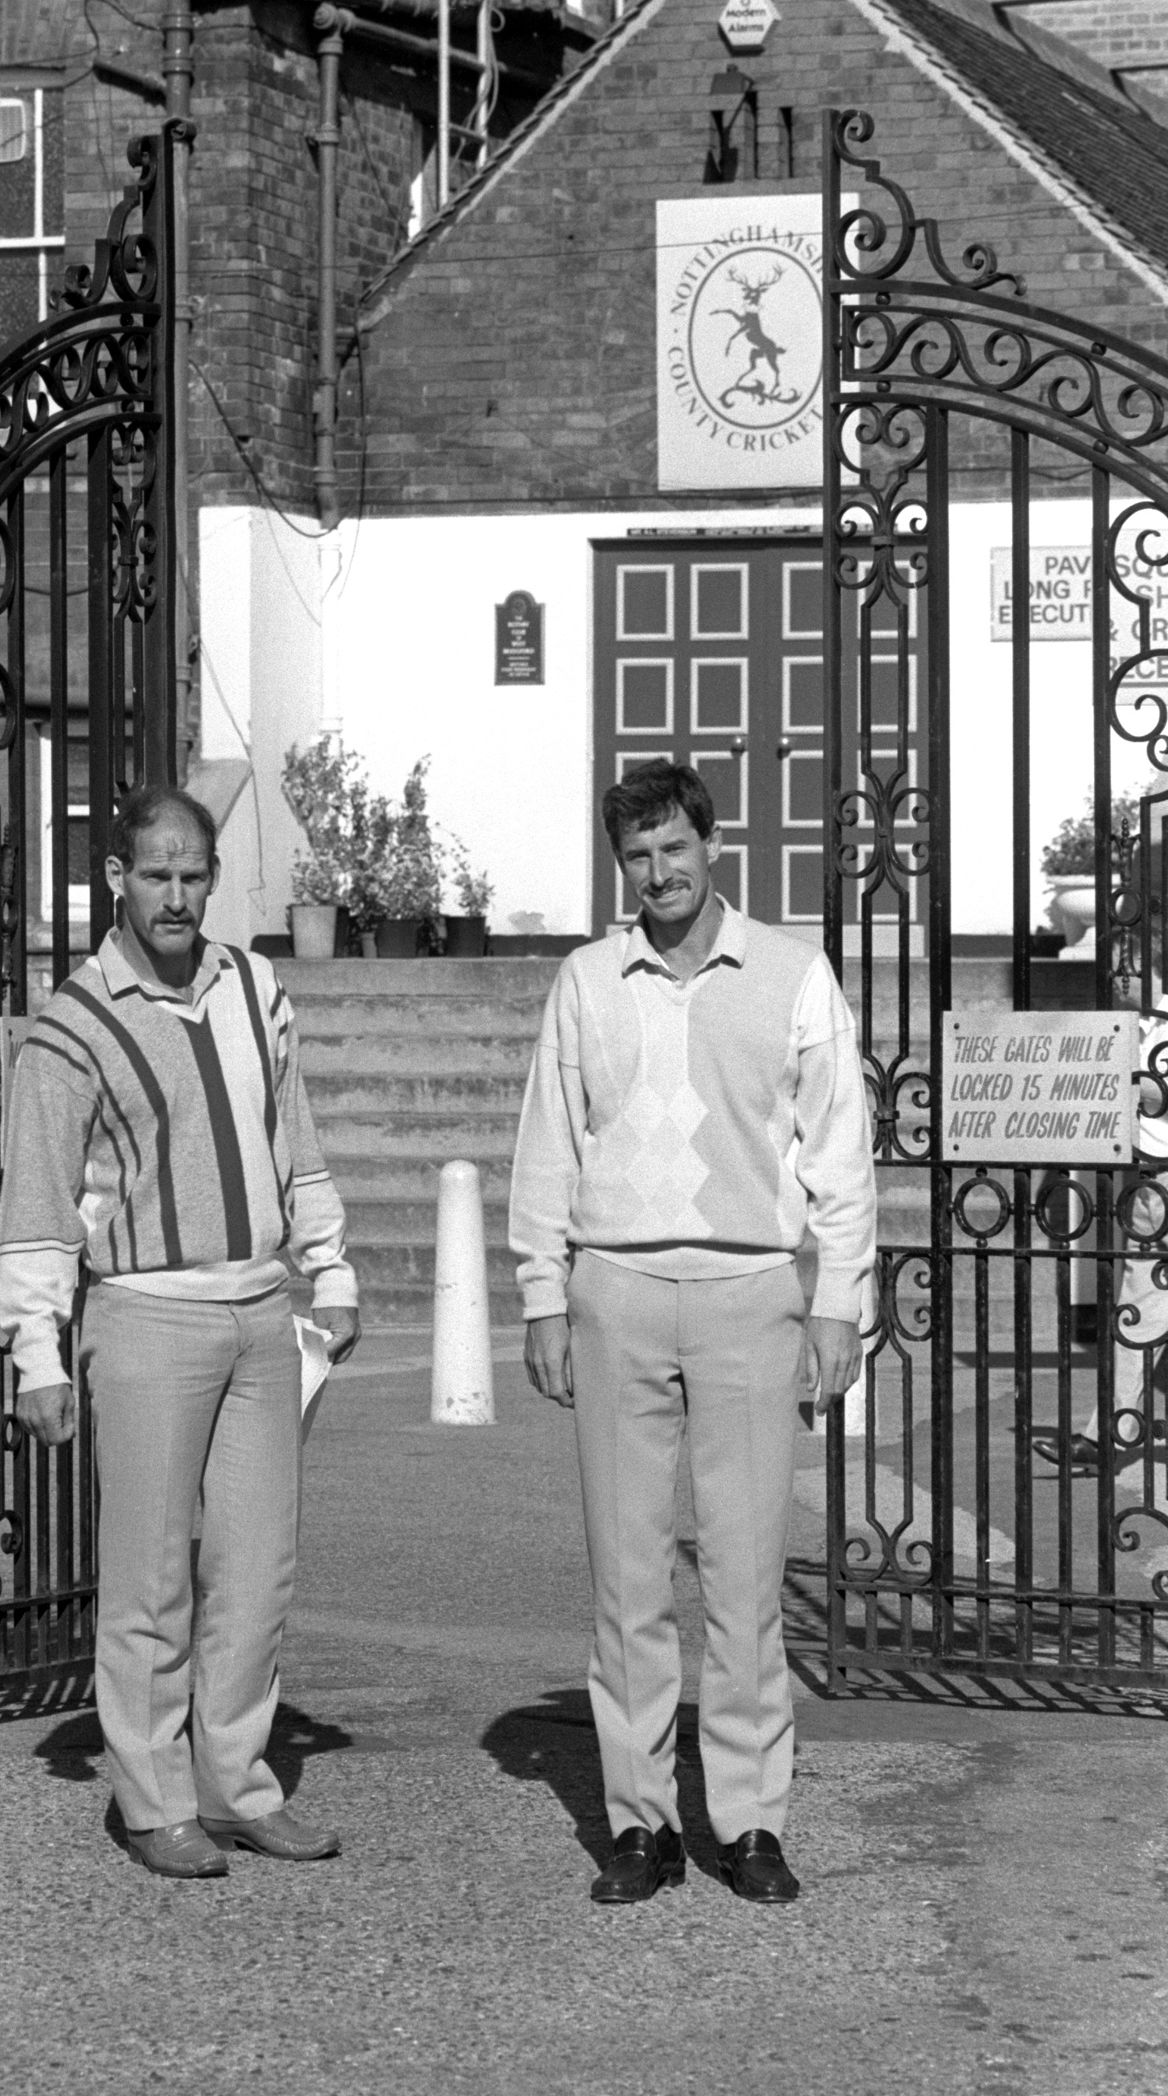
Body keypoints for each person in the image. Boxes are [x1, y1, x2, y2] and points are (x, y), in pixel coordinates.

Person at [509, 760, 876, 1907]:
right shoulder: (584, 980)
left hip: (748, 1297)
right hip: (615, 1289)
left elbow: (840, 1155)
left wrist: (835, 1304)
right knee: (625, 1581)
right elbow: (546, 1143)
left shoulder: (790, 972)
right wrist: (538, 1291)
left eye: (674, 846)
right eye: (636, 855)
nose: (658, 872)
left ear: (709, 843)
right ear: (619, 863)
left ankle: (751, 1821)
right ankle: (637, 1823)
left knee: (743, 1577)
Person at [0, 786, 359, 1878]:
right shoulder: (73, 1022)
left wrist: (328, 1269)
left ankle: (237, 1783)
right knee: (150, 1574)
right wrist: (37, 1350)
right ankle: (153, 1798)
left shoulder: (255, 987)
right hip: (146, 1317)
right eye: (154, 873)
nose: (175, 894)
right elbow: (39, 1203)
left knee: (256, 1570)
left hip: (260, 1314)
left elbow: (293, 1138)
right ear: (117, 877)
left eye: (193, 874)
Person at [1034, 1009, 1168, 1473]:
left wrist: (1114, 1085)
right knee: (1136, 1309)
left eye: (1120, 963)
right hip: (1149, 1180)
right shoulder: (1140, 1025)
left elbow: (1156, 1092)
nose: (1115, 978)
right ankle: (1108, 1434)